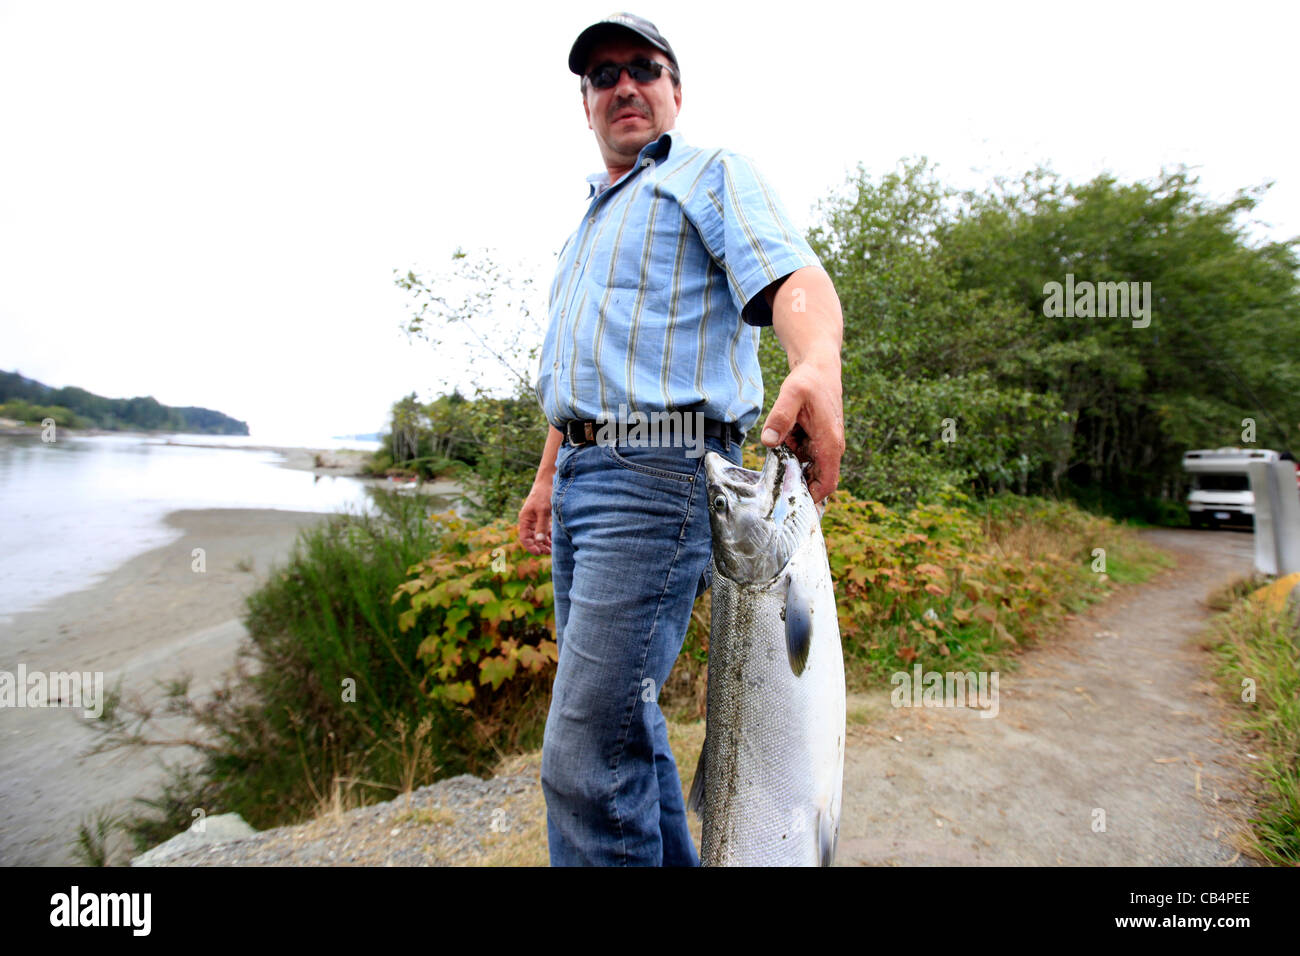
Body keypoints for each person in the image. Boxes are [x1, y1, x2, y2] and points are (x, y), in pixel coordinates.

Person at [516, 12, 845, 866]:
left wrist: (817, 363)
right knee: (628, 723)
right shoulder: (588, 221)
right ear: (584, 103)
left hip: (657, 476)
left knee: (586, 754)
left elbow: (793, 277)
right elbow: (585, 370)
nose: (623, 85)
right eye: (602, 75)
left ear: (675, 90)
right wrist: (551, 471)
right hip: (587, 473)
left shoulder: (709, 174)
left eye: (644, 68)